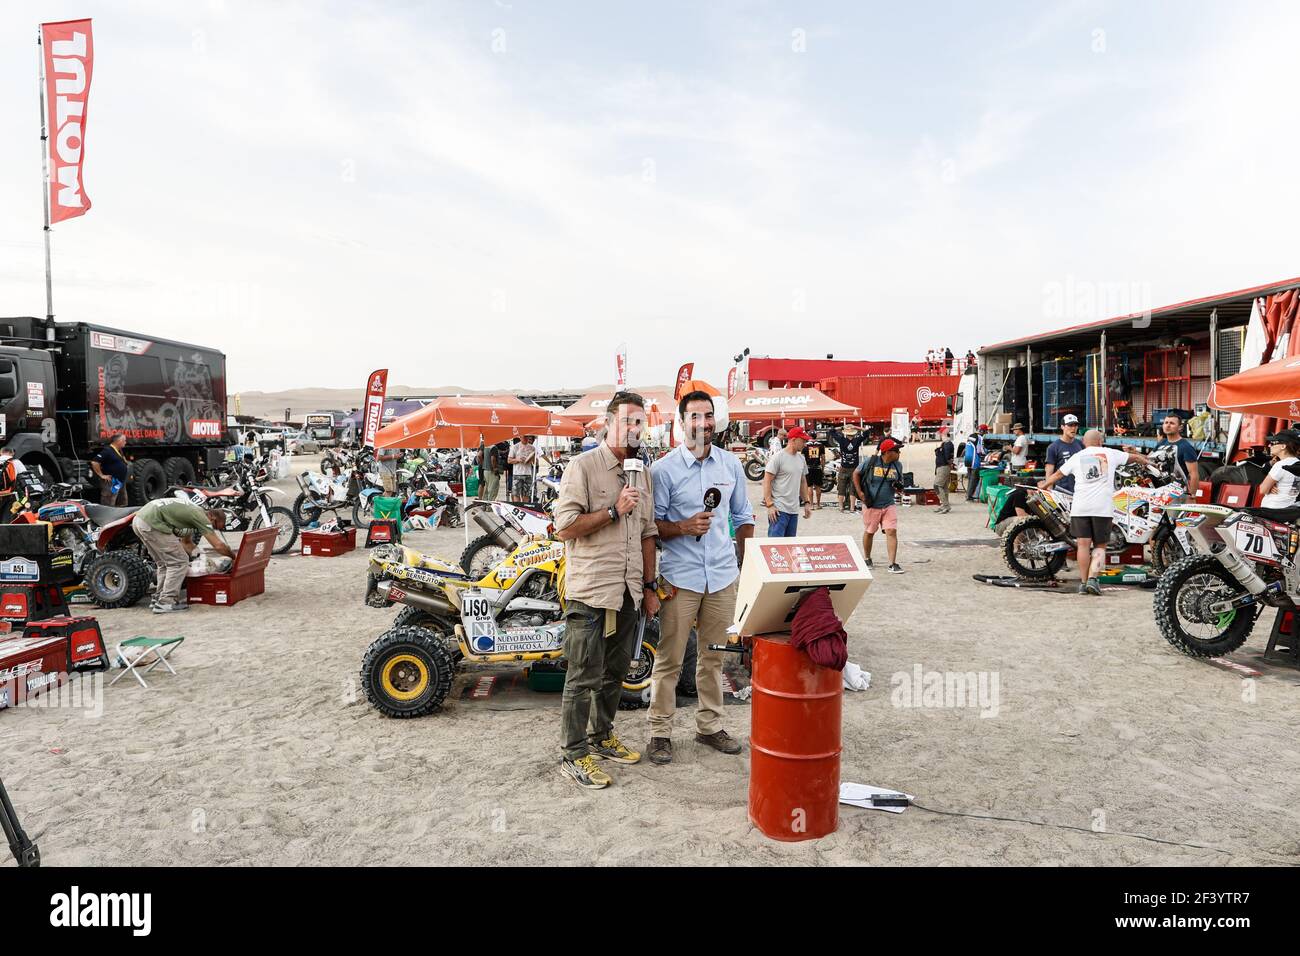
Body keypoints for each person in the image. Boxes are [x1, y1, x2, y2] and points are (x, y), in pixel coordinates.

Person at [552, 391, 659, 790]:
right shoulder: (583, 466)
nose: (635, 428)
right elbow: (564, 527)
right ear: (609, 423)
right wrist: (613, 511)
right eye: (628, 421)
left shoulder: (642, 472)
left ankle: (601, 736)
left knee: (616, 671)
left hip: (630, 589)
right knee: (583, 674)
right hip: (592, 589)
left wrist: (649, 587)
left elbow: (648, 532)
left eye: (640, 422)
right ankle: (574, 755)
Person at [648, 389, 755, 765]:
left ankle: (709, 726)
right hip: (681, 577)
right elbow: (652, 528)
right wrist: (682, 526)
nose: (703, 423)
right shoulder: (663, 470)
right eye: (695, 416)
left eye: (708, 416)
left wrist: (748, 567)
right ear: (682, 422)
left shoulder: (730, 465)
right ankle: (660, 731)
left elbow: (743, 518)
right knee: (670, 658)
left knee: (713, 658)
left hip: (723, 576)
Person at [1038, 430, 1151, 595]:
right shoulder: (1110, 453)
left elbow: (1058, 474)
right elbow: (1134, 458)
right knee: (1100, 546)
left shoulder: (1077, 456)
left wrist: (1044, 485)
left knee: (1083, 546)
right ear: (1100, 441)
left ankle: (1083, 584)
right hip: (1102, 508)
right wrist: (1147, 461)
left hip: (1080, 507)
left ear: (1084, 442)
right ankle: (1093, 579)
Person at [132, 497, 234, 613]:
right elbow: (218, 546)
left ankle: (158, 598)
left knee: (164, 563)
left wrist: (201, 556)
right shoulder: (201, 517)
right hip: (152, 522)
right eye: (214, 526)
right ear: (212, 517)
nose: (211, 529)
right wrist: (233, 557)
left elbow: (187, 543)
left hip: (140, 520)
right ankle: (166, 602)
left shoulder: (191, 515)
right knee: (179, 562)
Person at [853, 436, 905, 573]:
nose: (899, 454)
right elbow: (856, 473)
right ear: (887, 452)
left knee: (891, 531)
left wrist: (899, 487)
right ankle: (867, 558)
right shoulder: (871, 462)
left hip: (889, 504)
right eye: (896, 451)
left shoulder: (898, 465)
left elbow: (901, 484)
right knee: (870, 532)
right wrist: (860, 493)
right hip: (872, 504)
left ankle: (892, 563)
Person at [762, 426, 812, 537]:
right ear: (793, 440)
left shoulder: (801, 459)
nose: (805, 444)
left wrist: (807, 502)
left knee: (789, 547)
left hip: (794, 510)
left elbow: (803, 481)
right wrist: (770, 504)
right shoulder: (778, 457)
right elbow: (767, 481)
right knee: (775, 547)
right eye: (803, 440)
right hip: (779, 510)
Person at [1154, 413, 1200, 500]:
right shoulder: (1162, 442)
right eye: (1166, 422)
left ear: (1180, 427)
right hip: (1161, 491)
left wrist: (1192, 496)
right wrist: (1134, 453)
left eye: (1172, 423)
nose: (1168, 425)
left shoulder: (1185, 447)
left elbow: (1194, 474)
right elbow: (1148, 459)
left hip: (1178, 493)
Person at [1044, 414, 1084, 499]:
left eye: (1075, 425)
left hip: (1079, 492)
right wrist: (1049, 492)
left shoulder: (1080, 444)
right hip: (1061, 493)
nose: (1073, 428)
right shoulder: (1053, 447)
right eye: (1070, 425)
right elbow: (1049, 472)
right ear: (1062, 427)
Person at [1258, 430, 1300, 509]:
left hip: (1272, 509)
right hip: (1289, 510)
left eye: (1273, 443)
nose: (1270, 446)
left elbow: (1262, 490)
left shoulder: (1280, 465)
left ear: (1283, 446)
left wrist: (1270, 486)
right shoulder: (1297, 463)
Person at [830, 424, 865, 511]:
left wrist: (842, 427)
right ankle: (852, 507)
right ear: (854, 434)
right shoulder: (857, 440)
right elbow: (867, 432)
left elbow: (831, 431)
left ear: (846, 433)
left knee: (841, 487)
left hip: (844, 467)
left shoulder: (841, 440)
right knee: (853, 488)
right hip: (854, 468)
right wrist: (856, 427)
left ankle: (841, 507)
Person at [92, 433, 131, 506]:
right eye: (124, 440)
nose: (125, 442)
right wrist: (101, 475)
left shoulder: (119, 450)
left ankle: (120, 516)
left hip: (120, 482)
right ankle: (107, 516)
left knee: (122, 503)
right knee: (109, 503)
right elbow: (95, 462)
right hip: (111, 482)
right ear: (118, 441)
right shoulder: (108, 450)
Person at [509, 435, 538, 502]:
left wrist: (532, 458)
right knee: (516, 494)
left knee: (527, 494)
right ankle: (518, 508)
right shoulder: (515, 447)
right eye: (524, 437)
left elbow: (534, 463)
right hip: (517, 473)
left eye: (527, 437)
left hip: (528, 473)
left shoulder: (532, 448)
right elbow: (509, 460)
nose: (526, 438)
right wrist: (518, 460)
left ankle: (525, 508)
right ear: (520, 437)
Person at [803, 430, 826, 508]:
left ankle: (812, 505)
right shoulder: (821, 445)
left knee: (809, 486)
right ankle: (818, 504)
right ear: (816, 436)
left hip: (808, 468)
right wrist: (822, 468)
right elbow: (823, 458)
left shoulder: (805, 446)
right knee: (818, 486)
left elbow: (802, 459)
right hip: (817, 468)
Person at [964, 426, 986, 501]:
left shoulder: (971, 436)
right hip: (974, 461)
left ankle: (967, 494)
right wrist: (986, 453)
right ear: (983, 431)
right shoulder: (980, 437)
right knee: (974, 479)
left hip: (967, 460)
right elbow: (981, 450)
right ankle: (969, 496)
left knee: (970, 478)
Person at [934, 430, 954, 514]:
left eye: (941, 434)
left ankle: (946, 505)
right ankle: (944, 505)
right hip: (942, 467)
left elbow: (948, 457)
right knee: (944, 487)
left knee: (937, 486)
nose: (940, 436)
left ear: (945, 434)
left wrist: (950, 464)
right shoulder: (945, 444)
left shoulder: (948, 444)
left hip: (943, 467)